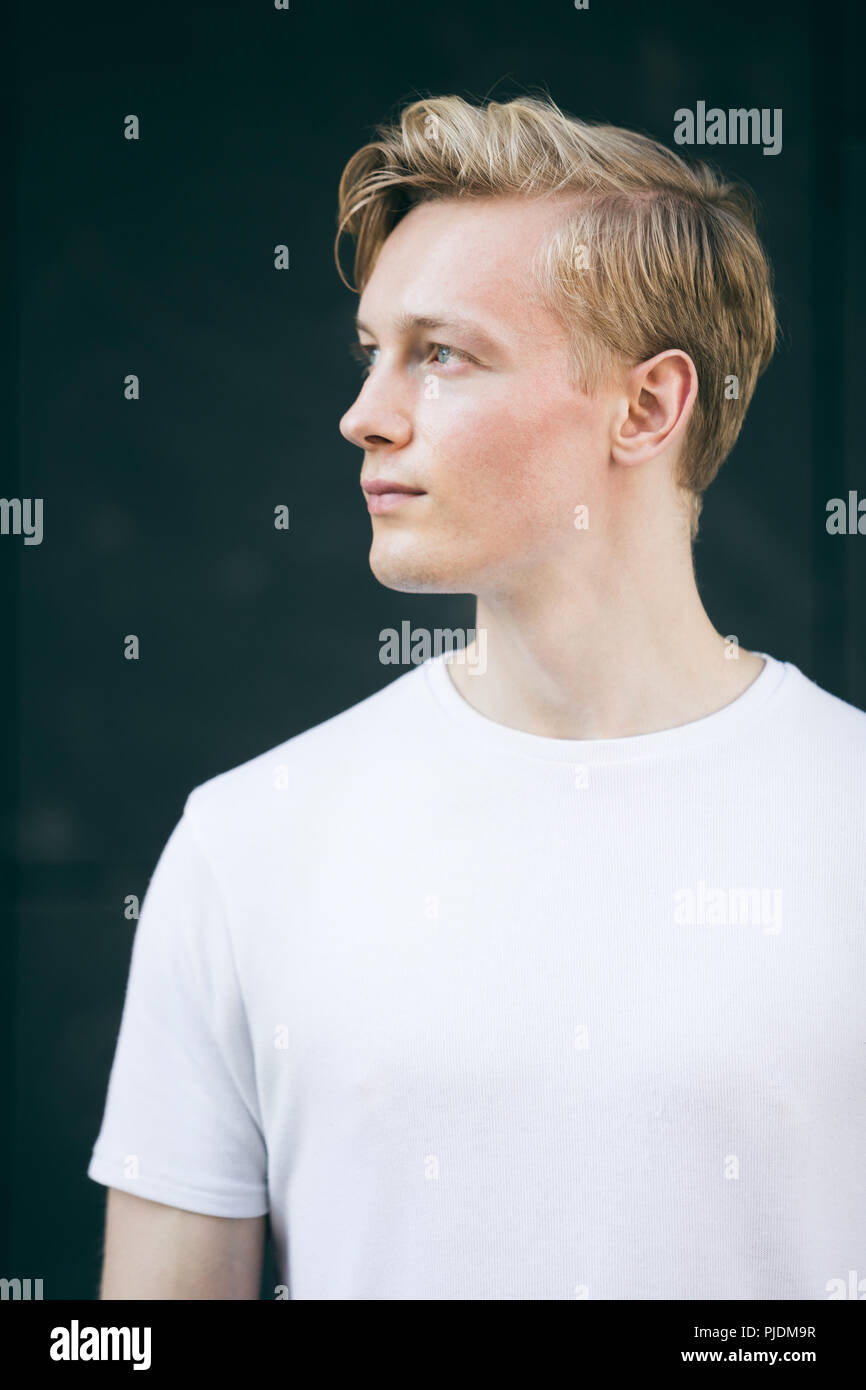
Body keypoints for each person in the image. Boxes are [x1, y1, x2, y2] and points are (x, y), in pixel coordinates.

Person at [88, 93, 866, 1300]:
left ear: (648, 406)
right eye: (371, 352)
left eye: (440, 355)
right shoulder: (248, 839)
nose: (363, 415)